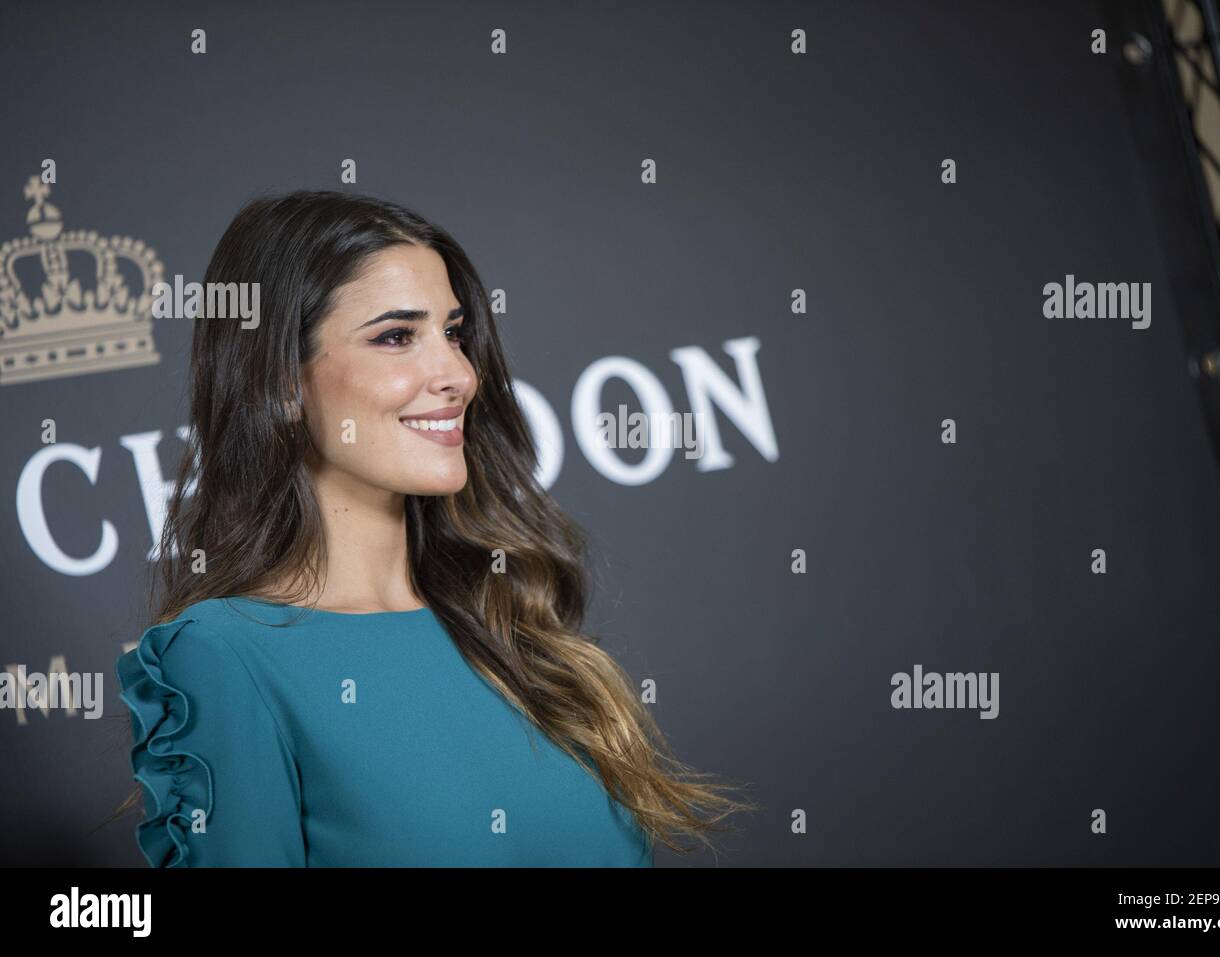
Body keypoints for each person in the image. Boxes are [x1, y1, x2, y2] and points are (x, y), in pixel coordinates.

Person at [110, 191, 755, 866]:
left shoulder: (504, 621)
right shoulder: (224, 655)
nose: (458, 373)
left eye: (453, 332)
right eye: (396, 336)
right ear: (280, 384)